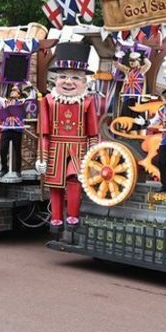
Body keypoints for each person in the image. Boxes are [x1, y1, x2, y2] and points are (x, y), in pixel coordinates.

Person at [36, 42, 99, 231]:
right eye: (63, 76)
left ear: (85, 82)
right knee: (55, 184)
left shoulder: (88, 102)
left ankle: (72, 215)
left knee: (74, 179)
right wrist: (42, 157)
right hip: (55, 148)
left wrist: (93, 158)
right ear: (55, 80)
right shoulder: (48, 100)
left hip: (78, 149)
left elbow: (93, 133)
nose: (68, 82)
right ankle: (56, 217)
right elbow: (43, 133)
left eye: (75, 78)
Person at [0, 84, 27, 180]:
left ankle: (18, 170)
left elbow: (32, 96)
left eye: (15, 90)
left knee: (17, 150)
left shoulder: (22, 102)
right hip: (6, 128)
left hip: (17, 129)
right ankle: (4, 169)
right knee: (3, 149)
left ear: (19, 94)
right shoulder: (5, 101)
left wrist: (28, 85)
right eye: (12, 90)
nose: (12, 91)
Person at [113, 49, 151, 135]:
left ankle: (139, 137)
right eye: (130, 60)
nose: (131, 62)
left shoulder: (141, 70)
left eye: (134, 60)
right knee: (126, 119)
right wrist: (116, 57)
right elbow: (116, 65)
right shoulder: (127, 70)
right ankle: (127, 136)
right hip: (127, 98)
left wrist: (142, 56)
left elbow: (148, 64)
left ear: (138, 61)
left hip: (137, 99)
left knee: (138, 120)